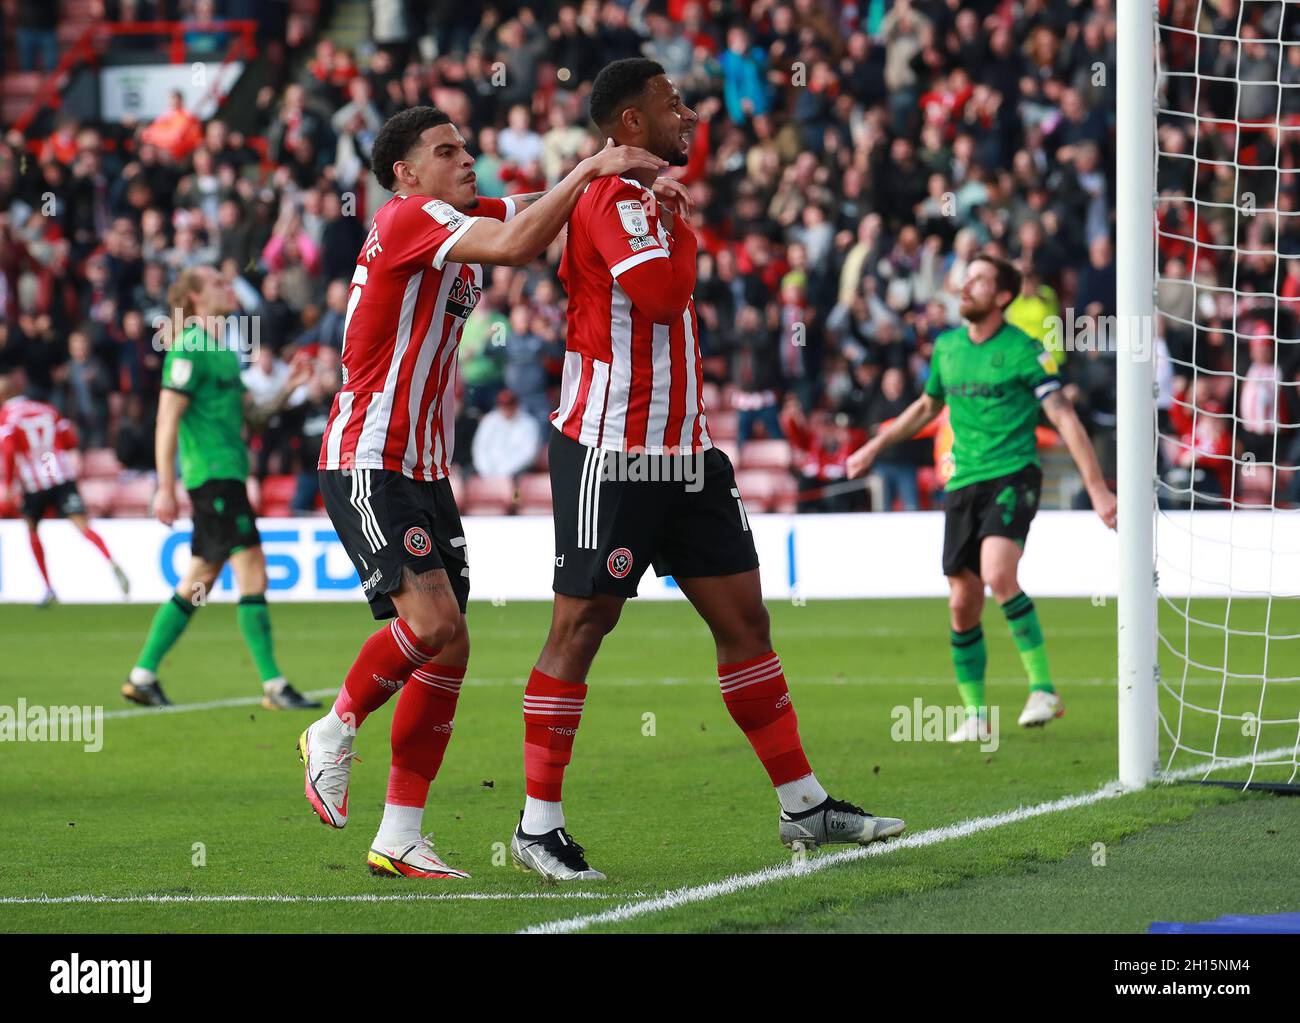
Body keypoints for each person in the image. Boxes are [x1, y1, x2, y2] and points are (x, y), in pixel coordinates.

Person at [510, 59, 905, 885]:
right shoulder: (614, 198)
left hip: (686, 454)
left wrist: (677, 221)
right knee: (579, 631)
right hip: (609, 454)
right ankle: (537, 825)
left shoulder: (641, 200)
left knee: (746, 624)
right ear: (628, 124)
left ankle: (804, 804)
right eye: (672, 103)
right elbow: (658, 296)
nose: (688, 113)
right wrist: (682, 230)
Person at [297, 105, 671, 880]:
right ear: (406, 173)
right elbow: (519, 241)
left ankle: (399, 833)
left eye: (466, 146)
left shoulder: (459, 216)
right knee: (433, 626)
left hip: (425, 469)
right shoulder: (408, 217)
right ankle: (332, 728)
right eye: (445, 150)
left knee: (452, 644)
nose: (466, 159)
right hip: (370, 459)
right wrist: (594, 168)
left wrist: (634, 193)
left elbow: (538, 215)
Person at [848, 254, 1118, 741]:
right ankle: (976, 716)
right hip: (963, 483)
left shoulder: (1023, 349)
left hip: (1014, 473)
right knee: (961, 603)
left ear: (1002, 296)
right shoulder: (947, 347)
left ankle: (1043, 690)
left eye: (978, 280)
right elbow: (927, 406)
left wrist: (1098, 490)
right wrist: (874, 445)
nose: (965, 286)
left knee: (997, 574)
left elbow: (1062, 416)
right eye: (965, 277)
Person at [121, 266, 318, 711]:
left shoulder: (225, 352)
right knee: (252, 568)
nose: (228, 288)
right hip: (210, 475)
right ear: (194, 297)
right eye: (217, 283)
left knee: (201, 579)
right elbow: (167, 419)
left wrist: (288, 387)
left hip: (227, 473)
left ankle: (142, 675)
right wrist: (164, 487)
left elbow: (251, 417)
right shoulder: (189, 348)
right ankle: (273, 684)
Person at [0, 389, 130, 605]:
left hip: (34, 483)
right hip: (60, 477)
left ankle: (49, 587)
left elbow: (9, 449)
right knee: (83, 526)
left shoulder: (7, 416)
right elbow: (71, 440)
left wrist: (8, 484)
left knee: (32, 530)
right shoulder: (49, 410)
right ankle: (110, 559)